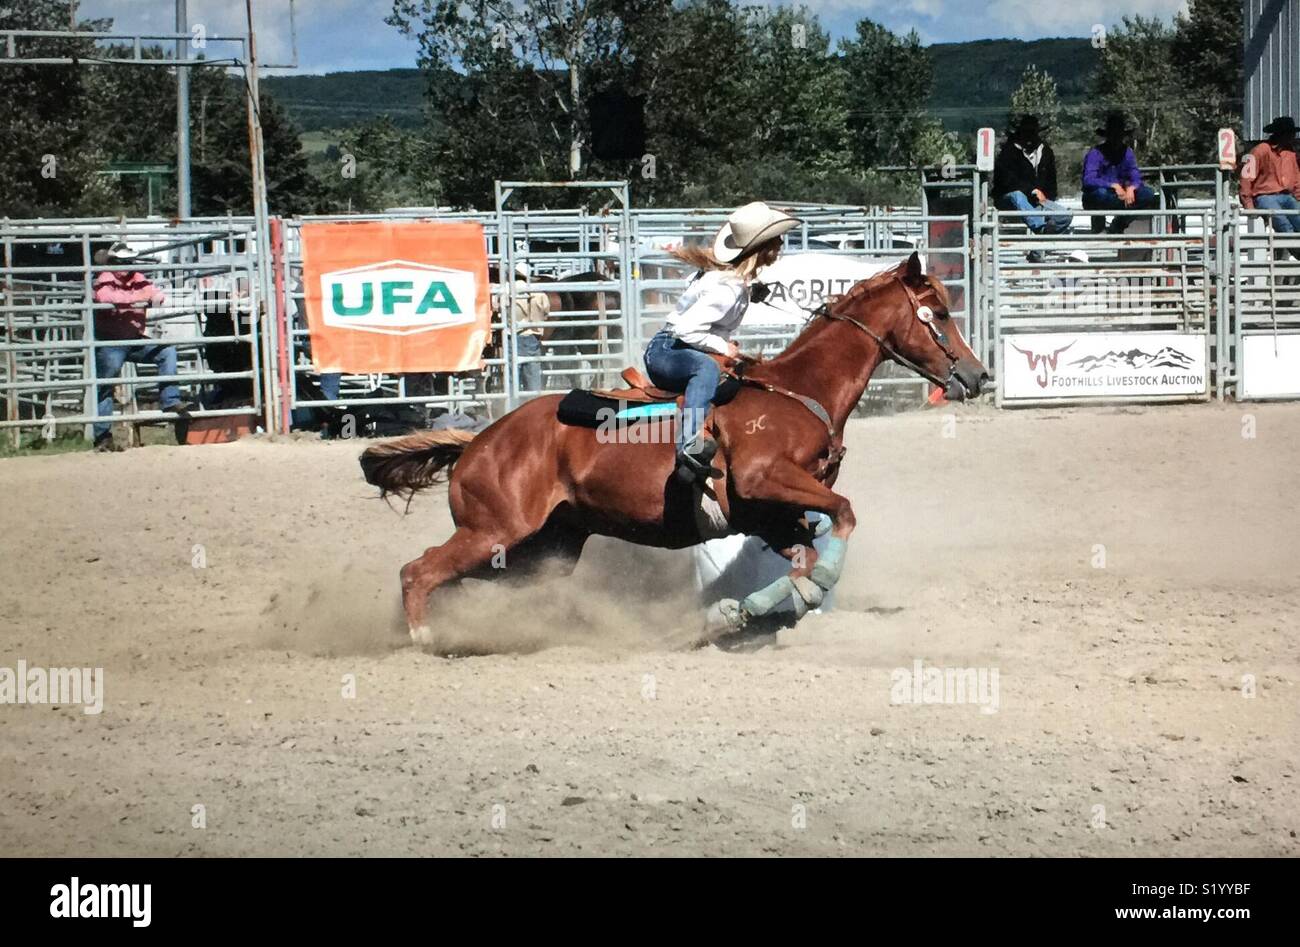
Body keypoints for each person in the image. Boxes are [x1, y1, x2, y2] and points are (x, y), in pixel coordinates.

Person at [644, 200, 798, 483]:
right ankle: (689, 443)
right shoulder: (727, 289)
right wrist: (724, 347)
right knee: (706, 369)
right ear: (761, 248)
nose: (780, 244)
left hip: (676, 348)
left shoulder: (731, 283)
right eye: (775, 240)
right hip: (667, 351)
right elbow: (687, 330)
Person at [90, 243, 190, 452]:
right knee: (105, 385)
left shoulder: (137, 278)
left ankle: (170, 400)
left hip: (134, 339)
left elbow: (158, 297)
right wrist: (139, 300)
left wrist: (138, 299)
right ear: (113, 263)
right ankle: (102, 436)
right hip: (111, 341)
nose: (125, 266)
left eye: (127, 262)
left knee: (167, 351)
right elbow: (106, 298)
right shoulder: (104, 278)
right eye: (120, 262)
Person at [993, 114, 1071, 260]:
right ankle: (1041, 231)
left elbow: (1051, 181)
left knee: (1065, 216)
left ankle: (1037, 249)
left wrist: (1047, 199)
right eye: (1026, 132)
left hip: (1037, 201)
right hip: (1009, 199)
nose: (1030, 136)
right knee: (1017, 195)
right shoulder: (1008, 152)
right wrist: (1032, 190)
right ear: (1020, 133)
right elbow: (1007, 180)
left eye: (1032, 132)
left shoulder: (1046, 152)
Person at [1081, 112, 1160, 233]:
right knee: (1100, 193)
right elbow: (1088, 179)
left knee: (1148, 194)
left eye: (1119, 135)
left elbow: (1135, 175)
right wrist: (1112, 185)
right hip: (1099, 196)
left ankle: (1120, 223)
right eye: (1113, 135)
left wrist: (1132, 188)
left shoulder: (1127, 152)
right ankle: (1098, 223)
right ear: (1108, 136)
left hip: (1122, 196)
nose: (1116, 139)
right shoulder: (1095, 153)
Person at [1240, 115, 1300, 258]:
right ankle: (1298, 254)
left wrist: (1298, 196)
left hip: (1287, 195)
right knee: (1283, 225)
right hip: (1265, 196)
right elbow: (1246, 178)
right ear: (1281, 134)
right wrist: (1249, 205)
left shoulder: (1290, 153)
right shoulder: (1260, 150)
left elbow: (1296, 178)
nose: (1293, 136)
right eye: (1290, 133)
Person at [511, 262, 551, 394]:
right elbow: (546, 312)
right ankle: (532, 404)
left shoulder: (506, 290)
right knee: (533, 374)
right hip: (532, 336)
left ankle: (512, 405)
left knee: (512, 375)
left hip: (512, 335)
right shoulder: (539, 293)